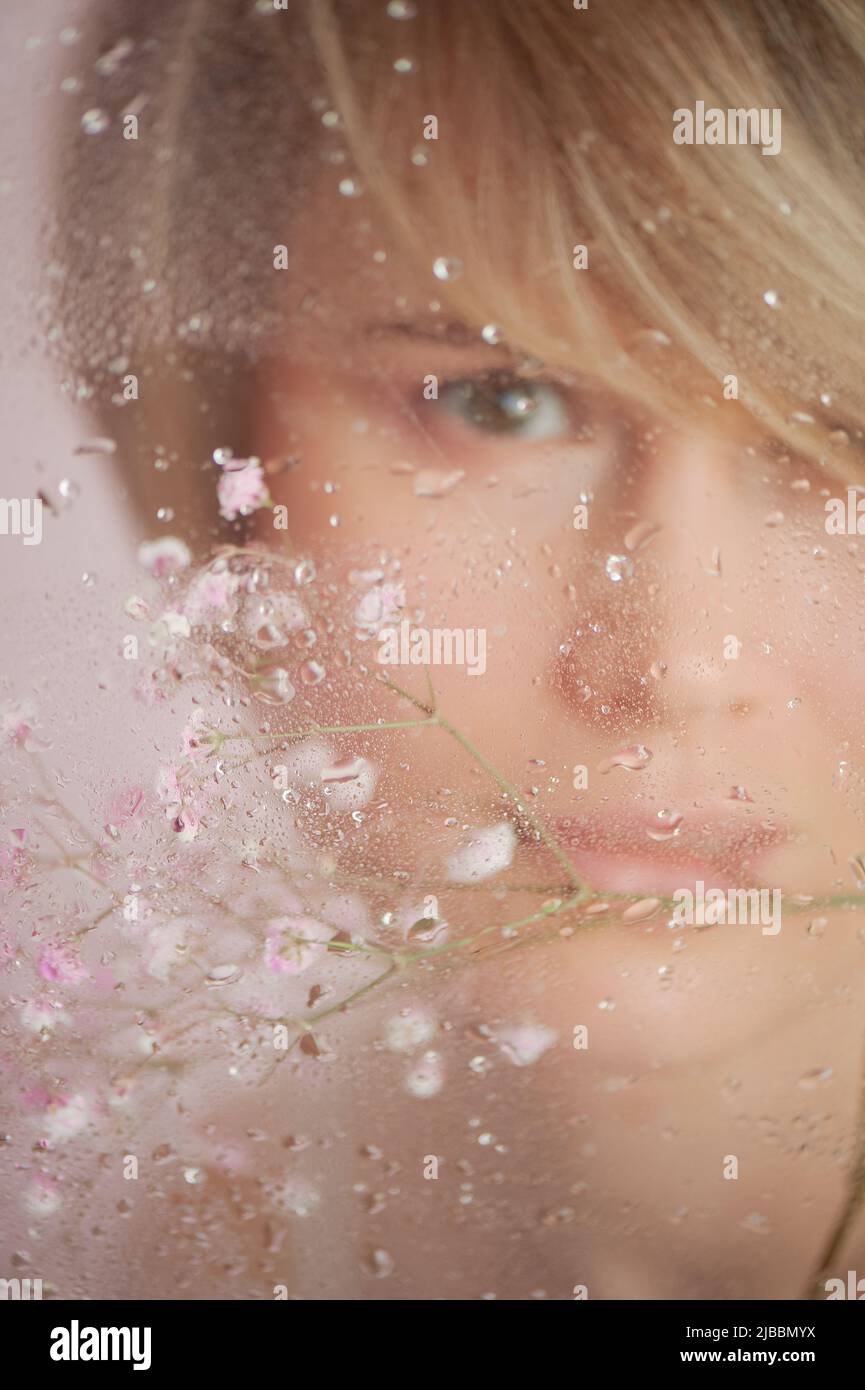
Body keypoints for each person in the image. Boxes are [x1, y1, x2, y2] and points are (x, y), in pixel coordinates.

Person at [6, 0, 865, 1300]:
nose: (670, 662)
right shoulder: (126, 1274)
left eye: (843, 437)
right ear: (222, 428)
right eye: (495, 401)